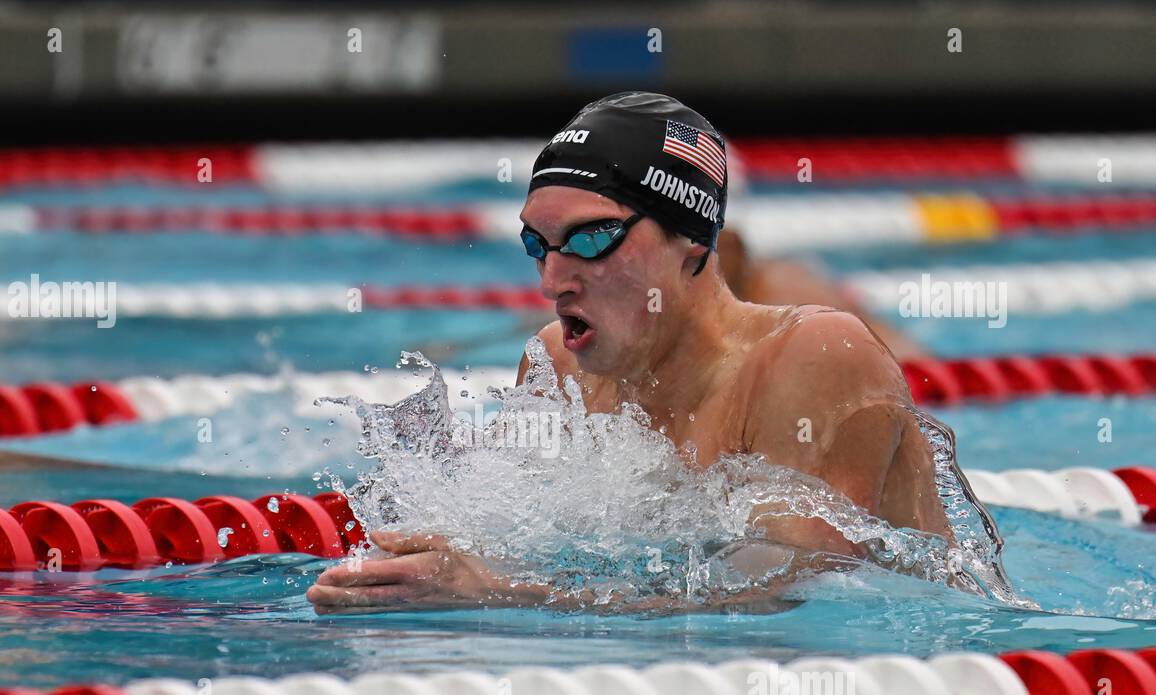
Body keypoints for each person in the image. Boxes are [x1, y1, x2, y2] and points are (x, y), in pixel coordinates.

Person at [308, 92, 955, 615]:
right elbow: (517, 549)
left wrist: (501, 594)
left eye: (591, 239)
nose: (552, 279)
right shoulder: (557, 364)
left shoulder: (813, 353)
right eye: (539, 244)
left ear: (696, 241)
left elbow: (788, 598)